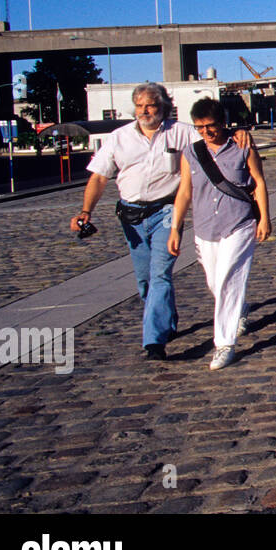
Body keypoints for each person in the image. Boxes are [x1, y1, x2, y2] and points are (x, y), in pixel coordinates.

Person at [69, 83, 250, 360]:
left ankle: (153, 341)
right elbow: (99, 177)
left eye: (151, 104)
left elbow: (212, 135)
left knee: (160, 275)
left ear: (163, 106)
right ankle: (166, 321)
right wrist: (85, 212)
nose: (145, 110)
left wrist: (238, 133)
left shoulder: (181, 133)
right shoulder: (119, 138)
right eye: (140, 105)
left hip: (165, 210)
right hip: (131, 217)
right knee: (145, 280)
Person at [167, 98, 270, 370]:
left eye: (210, 126)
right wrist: (175, 229)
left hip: (239, 223)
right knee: (216, 283)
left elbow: (258, 182)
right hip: (204, 228)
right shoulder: (191, 153)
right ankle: (240, 308)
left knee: (227, 279)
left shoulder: (241, 146)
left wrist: (265, 219)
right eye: (200, 128)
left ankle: (224, 344)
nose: (206, 132)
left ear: (222, 122)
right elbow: (185, 192)